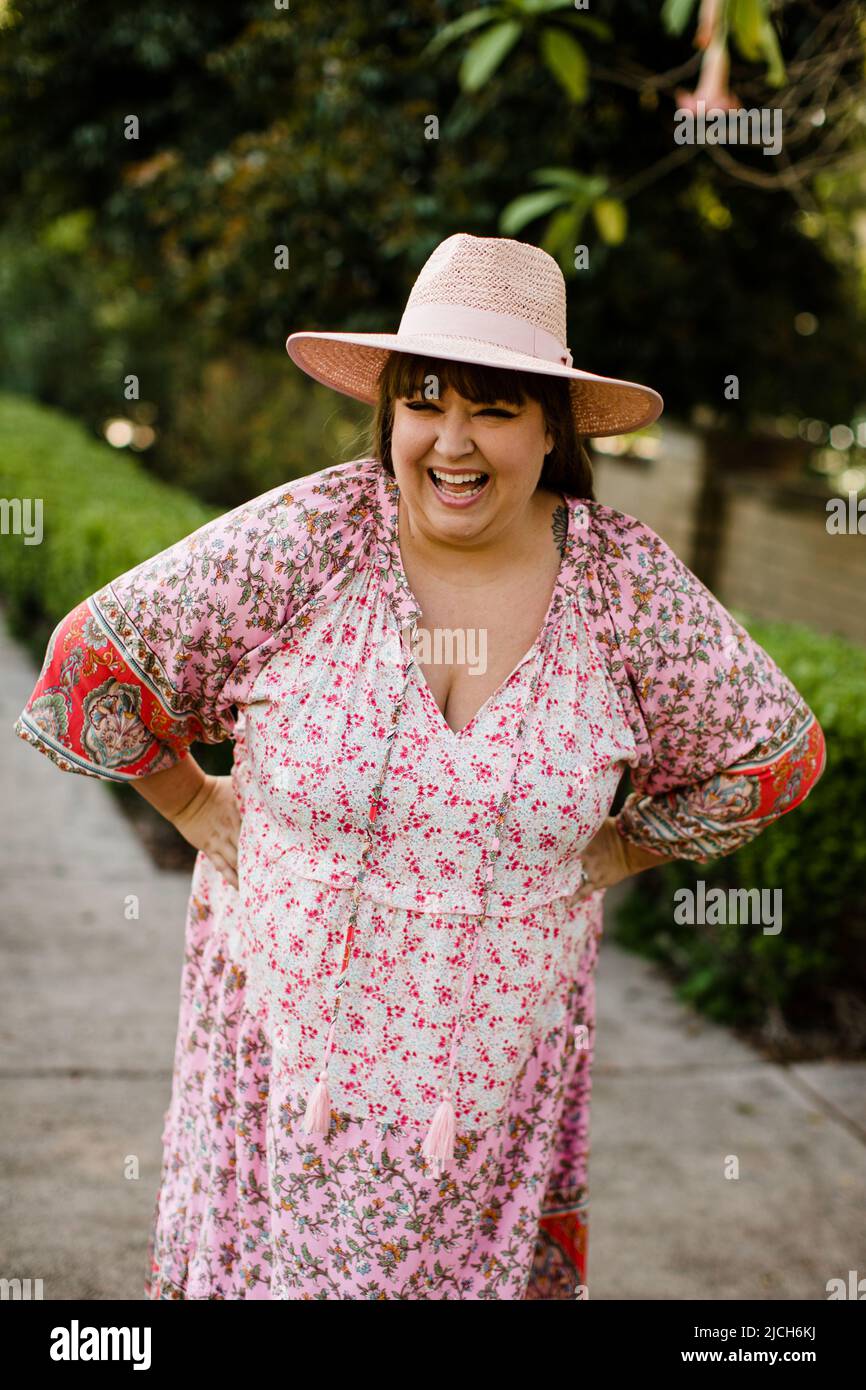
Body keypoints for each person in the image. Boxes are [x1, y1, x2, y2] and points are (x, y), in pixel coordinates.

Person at [13, 233, 827, 1300]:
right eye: (425, 399)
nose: (452, 439)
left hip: (484, 1090)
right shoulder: (310, 540)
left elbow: (770, 754)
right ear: (390, 411)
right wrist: (188, 800)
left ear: (551, 428)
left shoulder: (622, 588)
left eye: (493, 407)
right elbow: (91, 664)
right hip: (276, 1058)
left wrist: (621, 849)